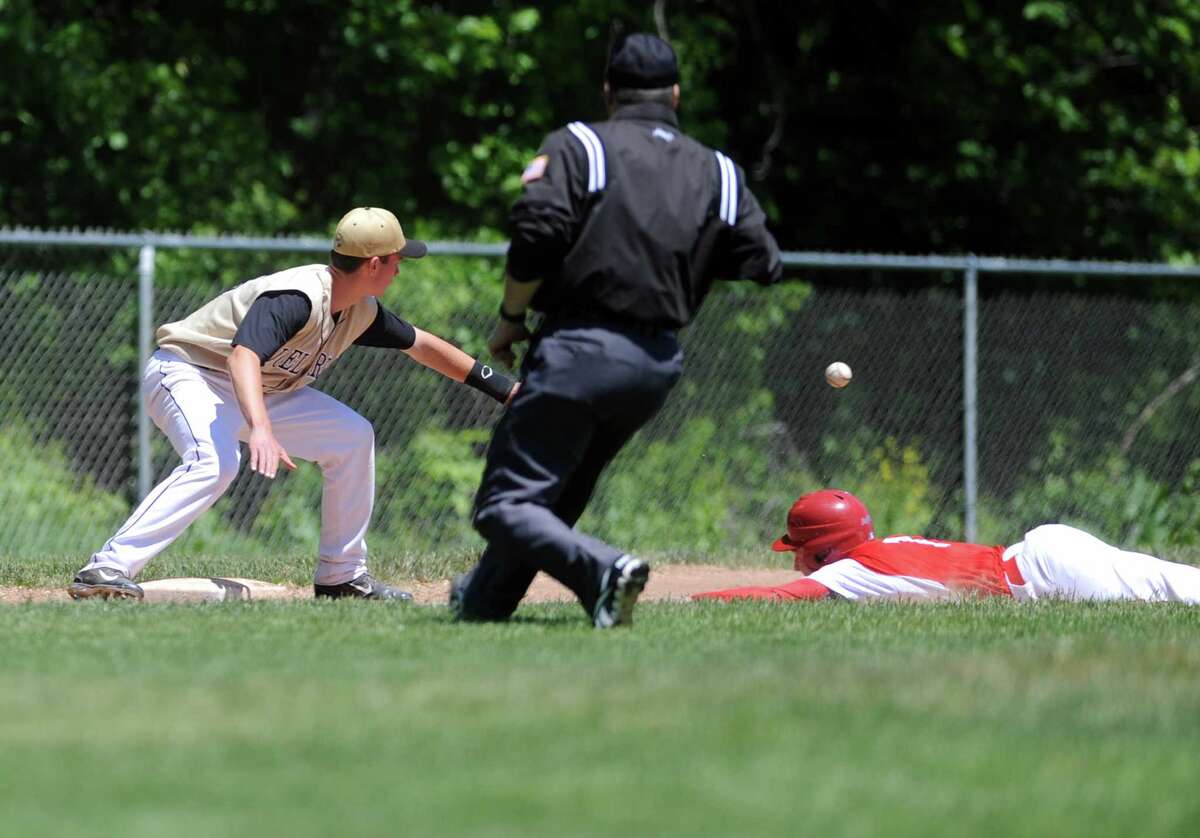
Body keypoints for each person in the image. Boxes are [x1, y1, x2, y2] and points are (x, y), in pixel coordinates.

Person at [450, 32, 783, 628]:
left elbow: (535, 237)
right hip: (655, 362)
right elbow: (763, 261)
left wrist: (510, 319)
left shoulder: (581, 146)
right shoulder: (720, 172)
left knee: (503, 504)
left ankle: (605, 571)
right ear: (676, 94)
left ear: (609, 91)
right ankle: (484, 600)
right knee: (557, 494)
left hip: (581, 347)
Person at [69, 207, 517, 601]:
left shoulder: (359, 308)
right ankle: (106, 567)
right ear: (374, 263)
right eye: (397, 260)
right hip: (189, 374)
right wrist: (260, 428)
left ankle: (342, 576)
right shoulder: (297, 297)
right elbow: (243, 354)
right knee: (216, 462)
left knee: (352, 436)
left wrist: (503, 389)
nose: (400, 269)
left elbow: (421, 345)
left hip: (258, 390)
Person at [694, 489, 1200, 603]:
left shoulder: (845, 572)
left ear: (825, 550)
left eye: (799, 549)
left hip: (1048, 577)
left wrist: (693, 600)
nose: (796, 559)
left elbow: (779, 598)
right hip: (1045, 548)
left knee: (1173, 595)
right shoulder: (882, 545)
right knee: (1176, 585)